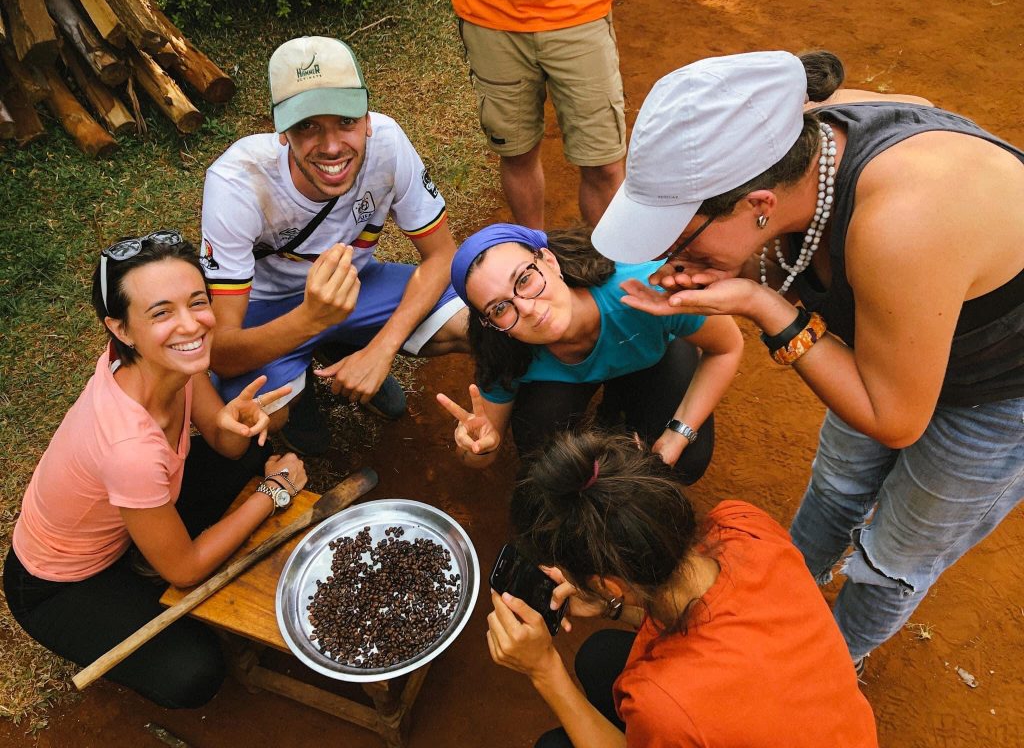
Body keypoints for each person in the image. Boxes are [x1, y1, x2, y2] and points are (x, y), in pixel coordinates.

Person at [590, 50, 1024, 672]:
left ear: (758, 202)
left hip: (1001, 383)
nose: (665, 254)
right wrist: (737, 265)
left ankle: (829, 665)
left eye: (678, 237)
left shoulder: (899, 225)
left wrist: (762, 303)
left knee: (896, 554)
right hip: (890, 329)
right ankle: (785, 606)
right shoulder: (794, 127)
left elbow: (896, 417)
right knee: (837, 484)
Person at [3, 233, 307, 708]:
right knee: (193, 671)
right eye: (161, 312)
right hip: (59, 585)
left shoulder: (166, 363)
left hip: (132, 513)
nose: (190, 325)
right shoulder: (129, 448)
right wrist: (274, 492)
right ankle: (142, 570)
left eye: (197, 302)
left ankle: (148, 557)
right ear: (121, 329)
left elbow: (224, 444)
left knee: (250, 452)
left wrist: (235, 423)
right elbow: (184, 570)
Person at [487, 430, 878, 747]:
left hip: (689, 710)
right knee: (599, 657)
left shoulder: (667, 704)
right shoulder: (740, 525)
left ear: (609, 582)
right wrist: (612, 605)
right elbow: (700, 613)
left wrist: (543, 669)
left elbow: (677, 706)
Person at [199, 35, 468, 455]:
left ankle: (346, 342)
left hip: (355, 286)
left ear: (367, 118)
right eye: (307, 126)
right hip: (267, 309)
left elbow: (442, 256)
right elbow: (220, 351)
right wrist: (310, 319)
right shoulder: (237, 184)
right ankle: (306, 368)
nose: (331, 146)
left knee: (476, 322)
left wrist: (381, 351)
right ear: (282, 131)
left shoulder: (388, 144)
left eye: (346, 121)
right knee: (255, 423)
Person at [436, 223, 742, 483]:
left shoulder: (643, 288)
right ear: (489, 323)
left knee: (686, 463)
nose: (526, 308)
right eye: (500, 308)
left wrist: (677, 436)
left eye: (525, 279)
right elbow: (479, 453)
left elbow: (727, 347)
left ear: (549, 261)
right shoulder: (504, 350)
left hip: (652, 359)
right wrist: (478, 446)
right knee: (545, 463)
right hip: (564, 386)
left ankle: (618, 411)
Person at [451, 0, 625, 228]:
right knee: (517, 152)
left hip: (581, 11)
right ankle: (536, 255)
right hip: (491, 14)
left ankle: (609, 262)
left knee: (603, 162)